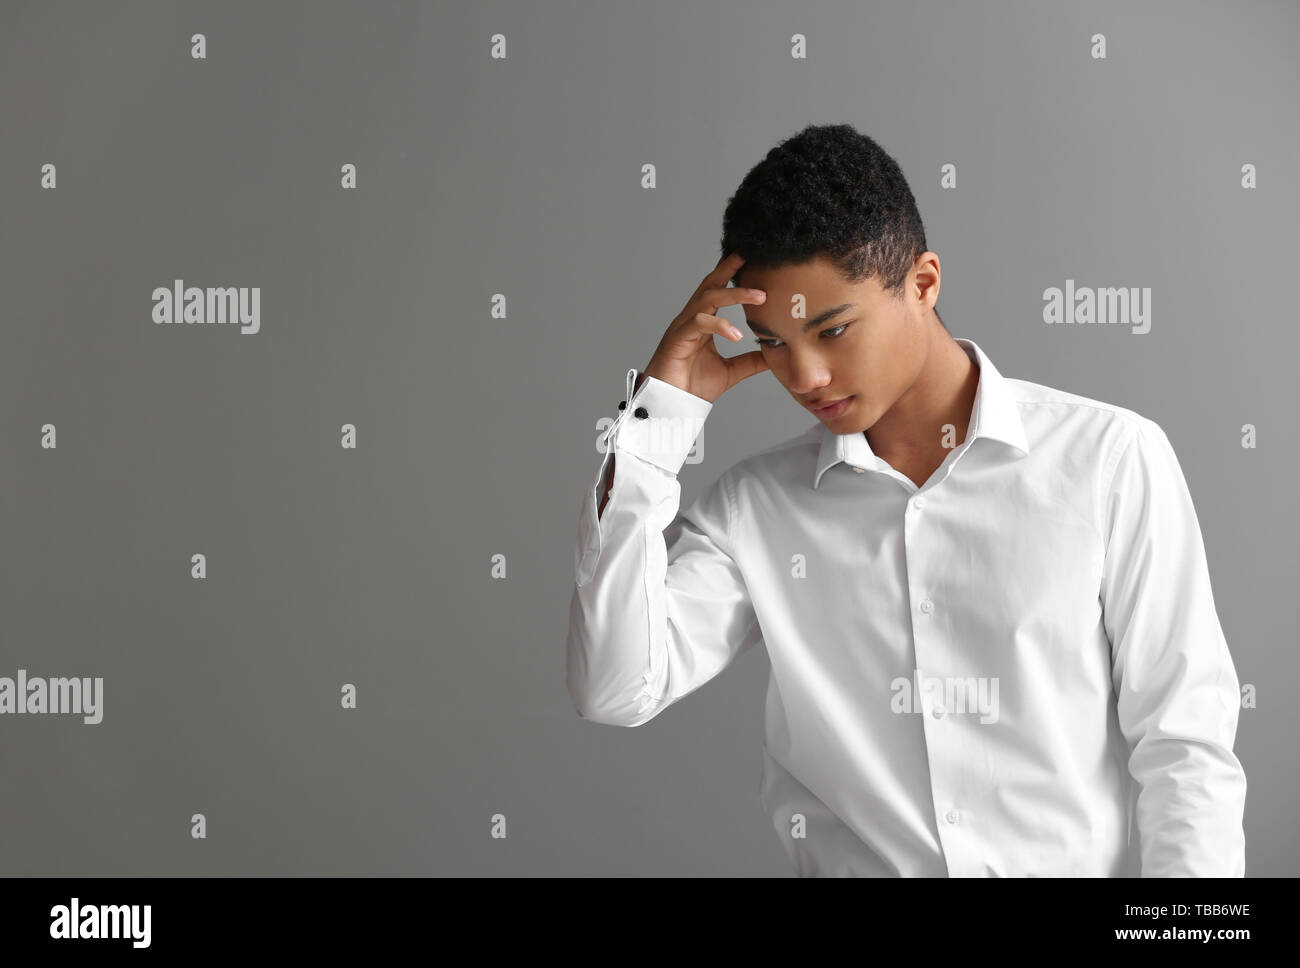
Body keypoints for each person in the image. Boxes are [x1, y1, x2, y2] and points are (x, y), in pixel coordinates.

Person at [566, 122, 1246, 877]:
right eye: (773, 341)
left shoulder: (1110, 460)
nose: (806, 376)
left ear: (922, 284)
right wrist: (658, 421)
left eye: (833, 330)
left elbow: (1183, 742)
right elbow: (616, 687)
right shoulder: (754, 510)